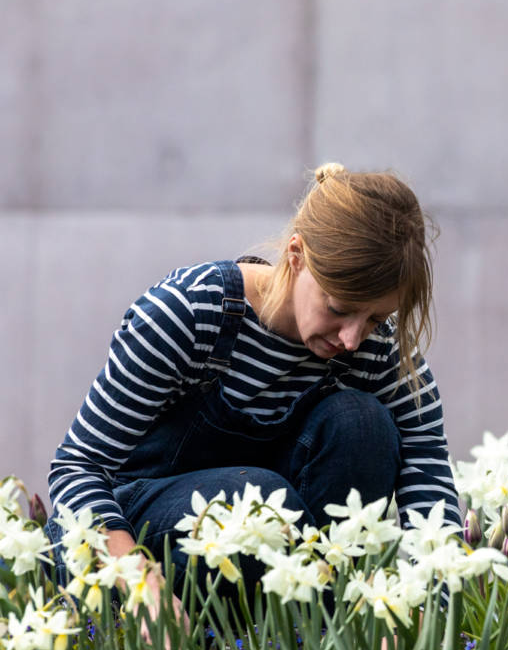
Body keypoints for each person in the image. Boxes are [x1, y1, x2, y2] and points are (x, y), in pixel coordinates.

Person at [44, 163, 460, 603]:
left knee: (362, 424)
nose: (352, 338)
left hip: (269, 546)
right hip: (134, 533)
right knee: (259, 501)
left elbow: (427, 462)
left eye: (375, 317)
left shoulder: (375, 347)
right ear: (296, 256)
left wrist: (426, 613)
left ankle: (316, 636)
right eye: (339, 308)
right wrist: (140, 586)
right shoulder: (190, 313)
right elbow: (77, 467)